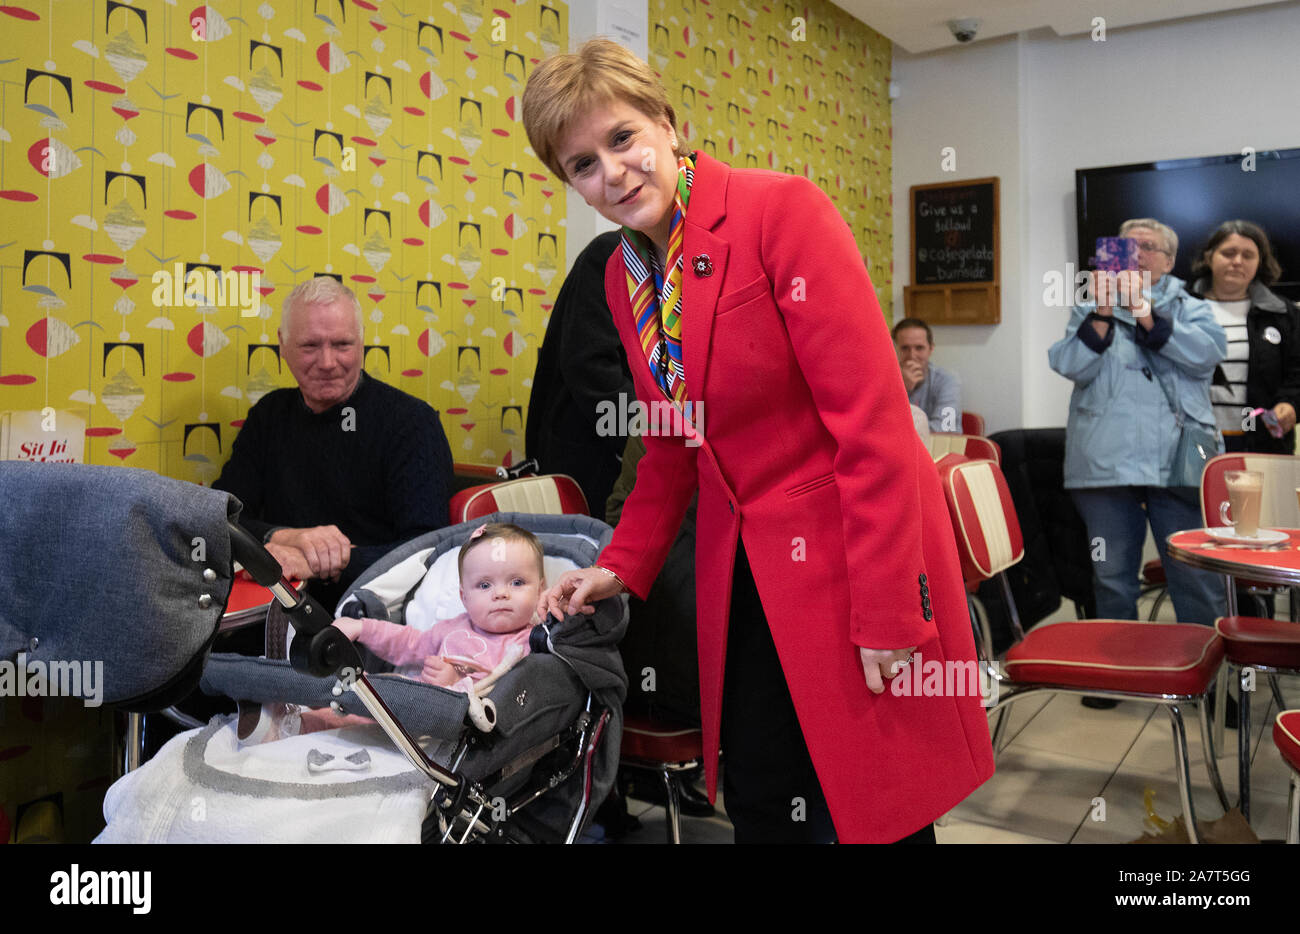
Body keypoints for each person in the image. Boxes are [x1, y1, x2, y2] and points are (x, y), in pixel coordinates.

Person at [522, 38, 993, 844]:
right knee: (763, 793)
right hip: (739, 567)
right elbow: (671, 449)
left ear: (667, 124)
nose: (613, 173)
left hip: (850, 557)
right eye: (582, 165)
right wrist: (619, 569)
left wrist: (886, 609)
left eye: (623, 138)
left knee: (874, 803)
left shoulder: (780, 212)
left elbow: (874, 424)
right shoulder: (622, 276)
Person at [214, 276, 454, 610]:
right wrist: (286, 537)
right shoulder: (269, 415)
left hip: (375, 613)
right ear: (282, 345)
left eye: (342, 345)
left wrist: (317, 564)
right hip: (271, 611)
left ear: (362, 342)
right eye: (310, 346)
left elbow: (429, 548)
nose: (327, 363)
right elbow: (221, 516)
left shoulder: (411, 422)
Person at [1048, 218, 1227, 633]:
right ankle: (1120, 672)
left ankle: (1209, 674)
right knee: (1110, 576)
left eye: (1147, 247)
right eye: (1126, 247)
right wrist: (1103, 312)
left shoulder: (1194, 307)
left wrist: (1145, 313)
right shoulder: (1089, 307)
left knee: (1195, 574)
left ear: (1169, 260)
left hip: (1178, 461)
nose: (1137, 254)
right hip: (1104, 465)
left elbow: (1205, 355)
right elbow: (1070, 364)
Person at [237, 523, 544, 744]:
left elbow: (508, 698)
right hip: (408, 696)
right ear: (464, 597)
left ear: (541, 590)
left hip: (442, 723)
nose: (501, 594)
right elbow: (408, 643)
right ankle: (289, 707)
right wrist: (363, 628)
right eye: (485, 585)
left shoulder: (529, 643)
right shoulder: (454, 627)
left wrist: (455, 685)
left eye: (517, 583)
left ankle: (296, 727)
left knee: (365, 711)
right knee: (364, 686)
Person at [525, 231, 630, 516]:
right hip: (597, 459)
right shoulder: (613, 254)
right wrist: (654, 435)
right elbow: (591, 367)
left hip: (643, 449)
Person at [1189, 220, 1300, 455]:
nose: (1237, 261)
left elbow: (1297, 373)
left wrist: (1290, 405)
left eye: (1248, 255)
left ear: (1260, 262)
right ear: (1209, 258)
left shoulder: (1283, 314)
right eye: (1228, 253)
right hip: (1193, 443)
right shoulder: (1182, 308)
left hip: (1260, 443)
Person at [893, 317, 962, 432]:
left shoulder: (947, 381)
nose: (912, 355)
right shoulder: (885, 383)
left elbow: (946, 428)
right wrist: (901, 389)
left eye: (919, 348)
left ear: (930, 349)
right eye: (905, 348)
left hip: (940, 448)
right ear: (895, 350)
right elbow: (879, 428)